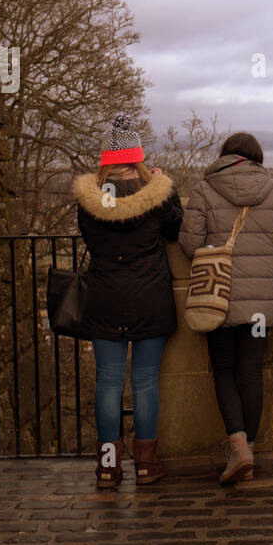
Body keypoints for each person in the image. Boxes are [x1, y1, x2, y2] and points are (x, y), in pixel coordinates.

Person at [179, 132, 273, 484]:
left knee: (223, 370)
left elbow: (189, 244)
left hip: (217, 295)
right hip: (262, 306)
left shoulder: (204, 189)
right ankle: (248, 448)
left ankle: (238, 449)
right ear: (256, 158)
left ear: (224, 156)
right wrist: (262, 263)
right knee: (251, 371)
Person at [72, 113, 184, 489]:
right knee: (145, 382)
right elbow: (176, 229)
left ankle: (108, 467)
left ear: (106, 159)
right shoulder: (154, 195)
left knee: (108, 383)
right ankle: (147, 466)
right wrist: (163, 184)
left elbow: (90, 237)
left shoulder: (91, 200)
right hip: (149, 297)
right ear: (136, 156)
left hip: (105, 298)